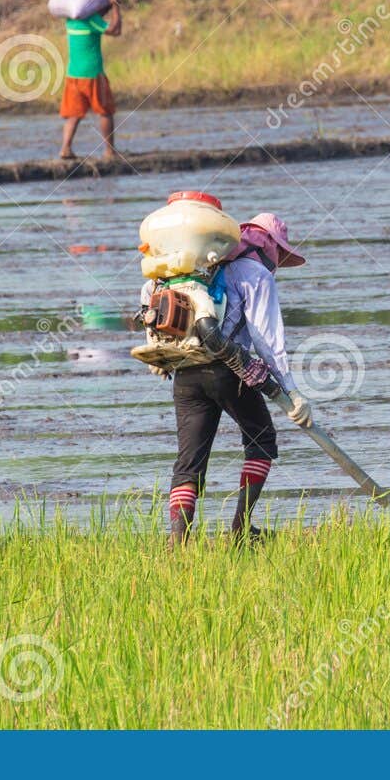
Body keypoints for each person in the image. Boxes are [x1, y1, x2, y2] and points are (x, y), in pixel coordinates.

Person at [163, 211, 312, 544]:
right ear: (269, 246)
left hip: (186, 370)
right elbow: (266, 340)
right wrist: (291, 391)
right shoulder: (256, 274)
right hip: (227, 369)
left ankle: (177, 543)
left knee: (189, 461)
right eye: (279, 253)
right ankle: (242, 529)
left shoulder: (202, 267)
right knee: (262, 440)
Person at [58, 0, 122, 161]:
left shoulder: (70, 21)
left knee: (74, 114)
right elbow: (115, 30)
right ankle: (110, 151)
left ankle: (65, 149)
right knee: (105, 111)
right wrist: (116, 8)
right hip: (93, 74)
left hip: (73, 74)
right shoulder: (92, 21)